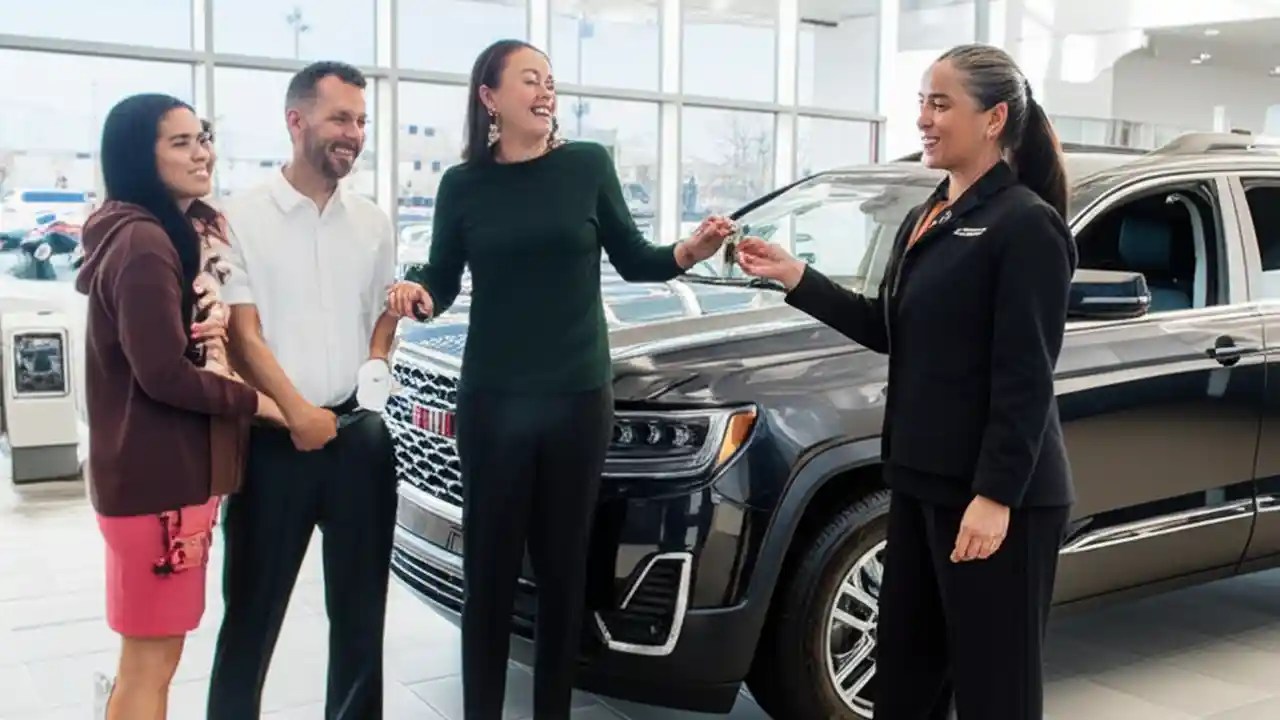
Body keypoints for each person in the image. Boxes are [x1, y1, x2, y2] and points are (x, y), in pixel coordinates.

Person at [385, 38, 732, 720]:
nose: (546, 92)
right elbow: (443, 279)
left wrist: (692, 250)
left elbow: (636, 259)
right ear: (489, 98)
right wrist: (417, 294)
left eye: (549, 81)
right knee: (486, 574)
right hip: (493, 400)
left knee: (561, 573)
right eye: (528, 81)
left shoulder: (586, 167)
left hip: (577, 398)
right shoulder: (463, 185)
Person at [736, 43, 1076, 720]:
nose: (923, 118)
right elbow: (894, 329)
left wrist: (994, 496)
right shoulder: (932, 212)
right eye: (921, 101)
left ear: (994, 117)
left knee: (995, 691)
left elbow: (1025, 378)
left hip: (992, 497)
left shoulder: (1025, 225)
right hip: (922, 480)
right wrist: (795, 277)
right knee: (905, 681)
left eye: (940, 103)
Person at [206, 61, 408, 720]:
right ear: (296, 121)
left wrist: (377, 362)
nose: (353, 133)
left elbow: (382, 310)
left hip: (360, 442)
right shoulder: (240, 218)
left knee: (360, 623)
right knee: (251, 619)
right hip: (273, 449)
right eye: (339, 118)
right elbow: (242, 332)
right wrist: (297, 414)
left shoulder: (373, 221)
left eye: (360, 121)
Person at [76, 93, 285, 720]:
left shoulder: (141, 230)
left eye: (204, 137)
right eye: (181, 142)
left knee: (141, 663)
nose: (202, 153)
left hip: (142, 481)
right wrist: (256, 401)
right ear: (141, 157)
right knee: (150, 670)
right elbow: (162, 373)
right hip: (156, 488)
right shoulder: (143, 243)